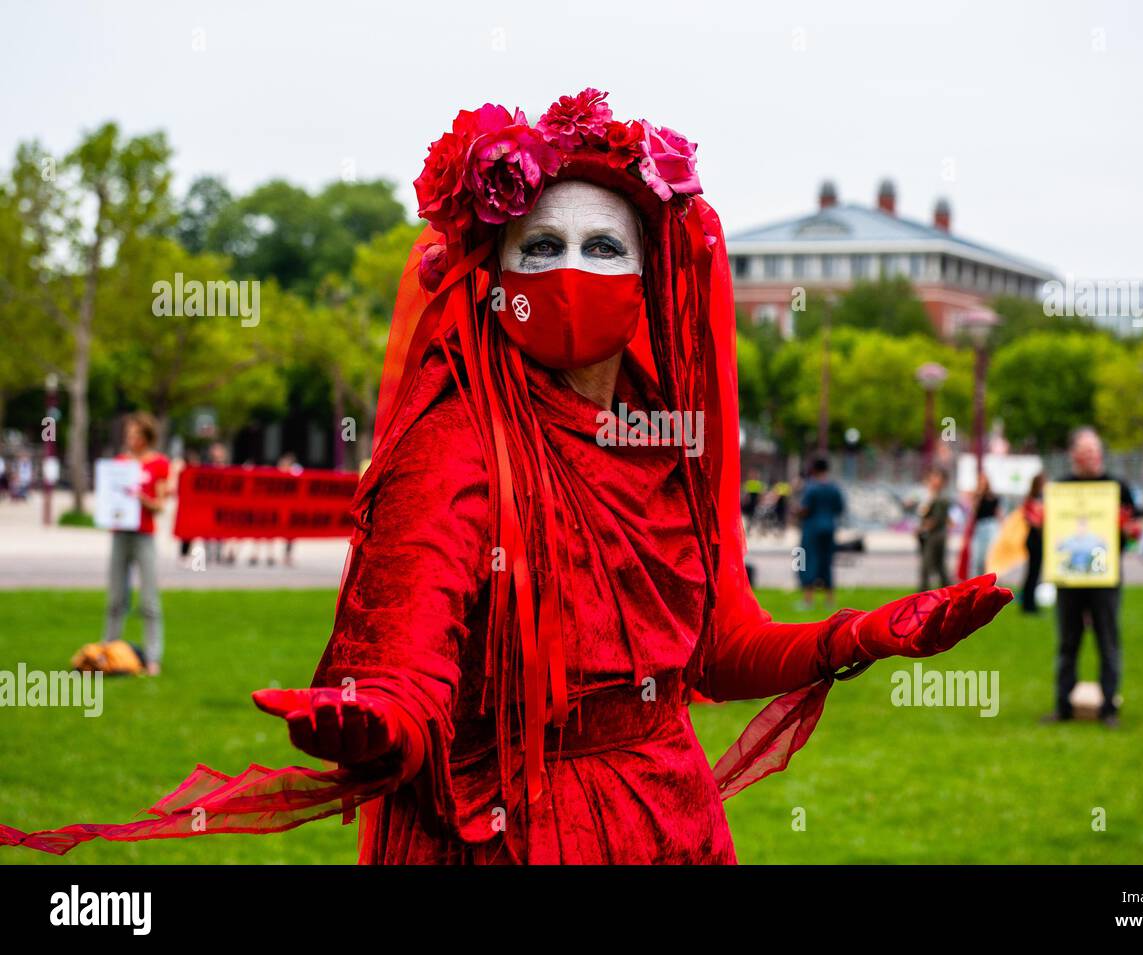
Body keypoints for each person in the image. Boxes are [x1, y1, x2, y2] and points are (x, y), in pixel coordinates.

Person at [4, 89, 1013, 861]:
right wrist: (383, 710)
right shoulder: (454, 437)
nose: (571, 268)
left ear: (648, 273)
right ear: (495, 277)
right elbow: (411, 632)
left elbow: (714, 647)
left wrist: (864, 632)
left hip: (672, 815)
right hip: (518, 830)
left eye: (603, 244)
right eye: (541, 246)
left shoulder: (666, 439)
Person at [1044, 426, 1137, 728]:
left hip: (1104, 580)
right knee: (1067, 643)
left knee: (1108, 641)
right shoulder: (1060, 488)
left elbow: (1131, 533)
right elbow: (1049, 537)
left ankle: (1109, 707)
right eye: (1085, 452)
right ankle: (1063, 705)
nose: (1092, 457)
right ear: (1074, 455)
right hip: (1069, 580)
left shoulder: (1116, 487)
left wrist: (1129, 531)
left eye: (1095, 451)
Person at [101, 412, 169, 677]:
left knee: (149, 600)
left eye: (135, 434)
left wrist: (142, 498)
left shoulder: (159, 464)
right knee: (116, 597)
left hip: (144, 535)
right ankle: (107, 651)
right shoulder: (119, 463)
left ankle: (153, 657)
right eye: (128, 434)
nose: (131, 439)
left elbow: (160, 505)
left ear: (146, 437)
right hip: (121, 534)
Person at [797, 456, 844, 610]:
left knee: (808, 561)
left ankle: (808, 600)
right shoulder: (834, 487)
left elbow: (804, 509)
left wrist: (796, 511)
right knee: (827, 562)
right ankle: (829, 600)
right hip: (829, 527)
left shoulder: (811, 487)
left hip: (812, 528)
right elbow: (840, 508)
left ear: (814, 469)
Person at [917, 466, 952, 590]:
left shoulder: (941, 498)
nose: (933, 480)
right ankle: (948, 590)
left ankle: (923, 594)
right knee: (937, 566)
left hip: (936, 535)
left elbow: (936, 519)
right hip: (930, 535)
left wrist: (923, 528)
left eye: (936, 478)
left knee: (930, 566)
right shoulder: (929, 495)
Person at [1021, 473, 1045, 614]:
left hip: (1037, 539)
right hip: (1034, 539)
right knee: (1032, 572)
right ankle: (1028, 604)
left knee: (1034, 573)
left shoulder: (1037, 499)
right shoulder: (1033, 500)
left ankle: (1029, 602)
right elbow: (1031, 520)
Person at [970, 471, 1001, 577]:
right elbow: (974, 511)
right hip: (980, 526)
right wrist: (979, 494)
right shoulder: (977, 496)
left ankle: (989, 583)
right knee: (977, 558)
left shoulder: (994, 497)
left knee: (989, 557)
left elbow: (998, 513)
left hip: (991, 526)